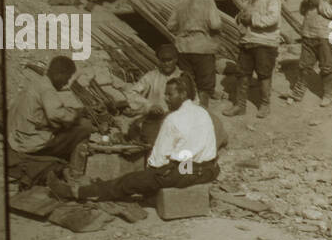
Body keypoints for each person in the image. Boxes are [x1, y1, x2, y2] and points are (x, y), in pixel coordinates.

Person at [48, 74, 219, 202]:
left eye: (170, 95)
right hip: (209, 171)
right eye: (166, 94)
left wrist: (148, 177)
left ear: (183, 95)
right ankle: (146, 193)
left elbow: (158, 160)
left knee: (129, 181)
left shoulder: (173, 118)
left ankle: (77, 193)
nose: (166, 99)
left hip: (185, 172)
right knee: (147, 180)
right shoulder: (202, 112)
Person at [7, 56, 93, 178]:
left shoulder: (36, 83)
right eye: (67, 78)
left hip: (17, 138)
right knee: (85, 127)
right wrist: (76, 114)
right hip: (31, 144)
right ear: (59, 74)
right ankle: (75, 173)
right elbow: (56, 115)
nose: (66, 82)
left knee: (68, 126)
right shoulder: (47, 90)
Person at [226, 0, 281, 118]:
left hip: (265, 42)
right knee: (242, 74)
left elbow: (273, 19)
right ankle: (240, 106)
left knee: (263, 74)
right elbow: (241, 15)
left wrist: (252, 20)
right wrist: (239, 19)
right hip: (247, 41)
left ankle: (265, 105)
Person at [166, 0, 222, 107]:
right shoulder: (207, 0)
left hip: (183, 48)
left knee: (186, 82)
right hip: (202, 48)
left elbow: (170, 25)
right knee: (204, 85)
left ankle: (187, 111)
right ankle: (202, 112)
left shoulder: (182, 1)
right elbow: (215, 24)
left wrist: (183, 30)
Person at [126, 43, 183, 147]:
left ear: (176, 59)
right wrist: (150, 105)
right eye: (163, 60)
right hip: (155, 119)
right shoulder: (151, 76)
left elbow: (194, 101)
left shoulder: (183, 77)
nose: (166, 63)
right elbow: (131, 93)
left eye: (169, 60)